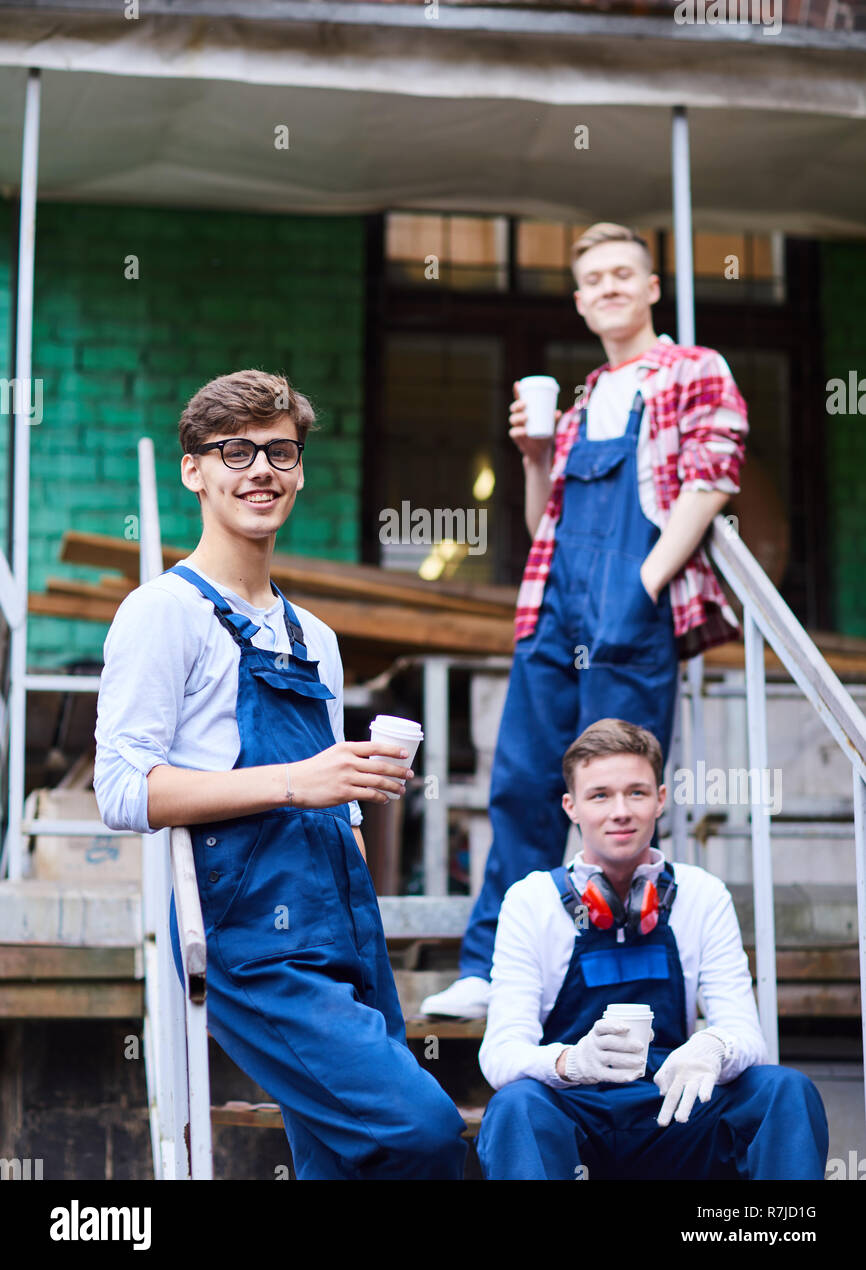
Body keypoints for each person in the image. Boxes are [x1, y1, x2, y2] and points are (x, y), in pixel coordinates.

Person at [94, 368, 467, 1180]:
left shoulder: (315, 637)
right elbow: (123, 791)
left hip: (342, 931)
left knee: (341, 1160)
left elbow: (340, 802)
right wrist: (301, 780)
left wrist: (355, 838)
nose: (261, 469)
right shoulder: (165, 612)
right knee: (423, 1132)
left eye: (281, 451)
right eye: (235, 451)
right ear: (193, 469)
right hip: (252, 940)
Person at [423, 222, 749, 1019]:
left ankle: (618, 981)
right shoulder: (576, 407)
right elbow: (545, 525)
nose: (608, 287)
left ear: (651, 289)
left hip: (633, 610)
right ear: (579, 301)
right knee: (524, 784)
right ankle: (495, 971)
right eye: (593, 278)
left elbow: (714, 478)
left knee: (617, 800)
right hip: (555, 606)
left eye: (622, 274)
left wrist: (644, 580)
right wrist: (535, 457)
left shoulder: (691, 370)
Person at [475, 718, 829, 1181]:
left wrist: (713, 1045)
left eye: (636, 793)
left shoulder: (702, 894)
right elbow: (500, 1053)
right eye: (600, 795)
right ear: (572, 807)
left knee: (784, 1089)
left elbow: (746, 1034)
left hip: (678, 1113)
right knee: (515, 1105)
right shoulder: (531, 901)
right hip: (578, 1119)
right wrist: (572, 1061)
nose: (620, 811)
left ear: (661, 800)